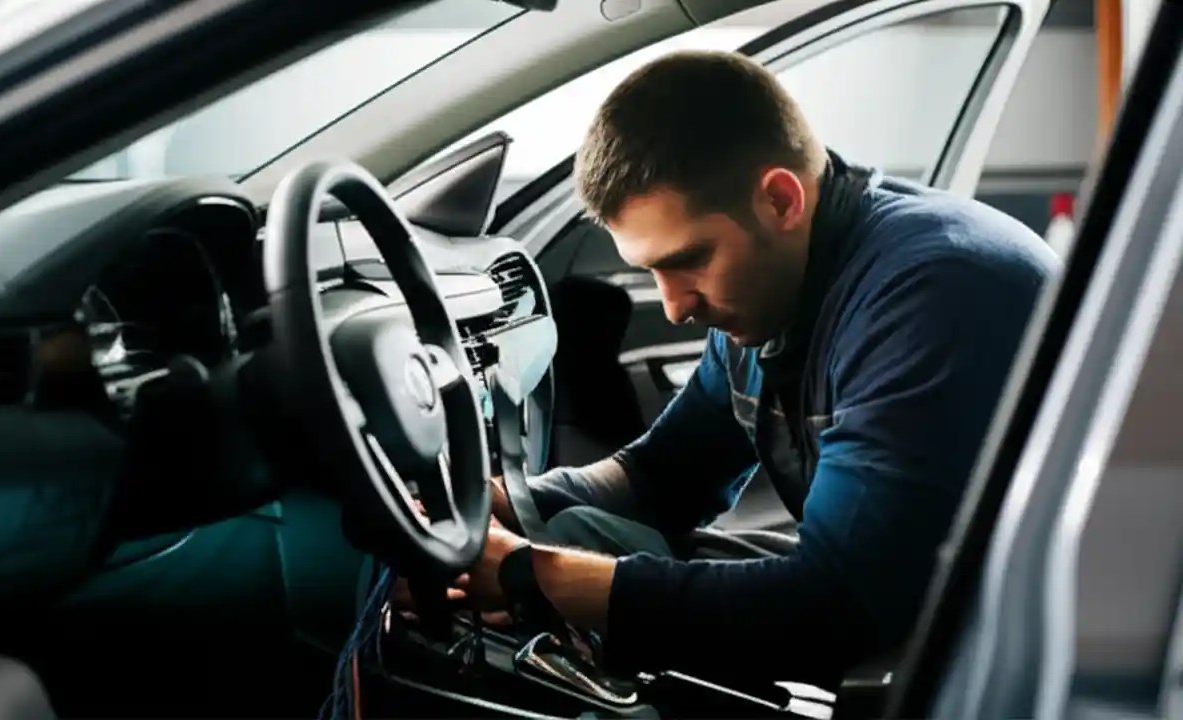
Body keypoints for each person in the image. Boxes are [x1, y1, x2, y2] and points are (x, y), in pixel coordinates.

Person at [402, 49, 1058, 688]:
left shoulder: (933, 291)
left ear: (780, 200)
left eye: (688, 259)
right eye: (652, 272)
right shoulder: (778, 290)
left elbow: (841, 608)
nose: (676, 305)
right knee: (571, 530)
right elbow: (664, 475)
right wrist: (505, 505)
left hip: (991, 655)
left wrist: (528, 574)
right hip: (885, 607)